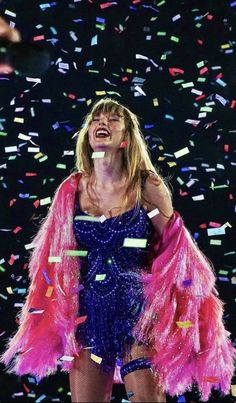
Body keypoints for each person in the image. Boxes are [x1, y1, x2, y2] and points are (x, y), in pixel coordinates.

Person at [0, 17, 235, 403]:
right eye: (96, 118)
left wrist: (173, 310)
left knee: (148, 399)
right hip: (87, 312)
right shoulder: (70, 190)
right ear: (88, 133)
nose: (102, 121)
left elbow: (177, 255)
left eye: (113, 118)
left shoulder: (148, 187)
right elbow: (54, 257)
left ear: (126, 137)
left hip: (139, 311)